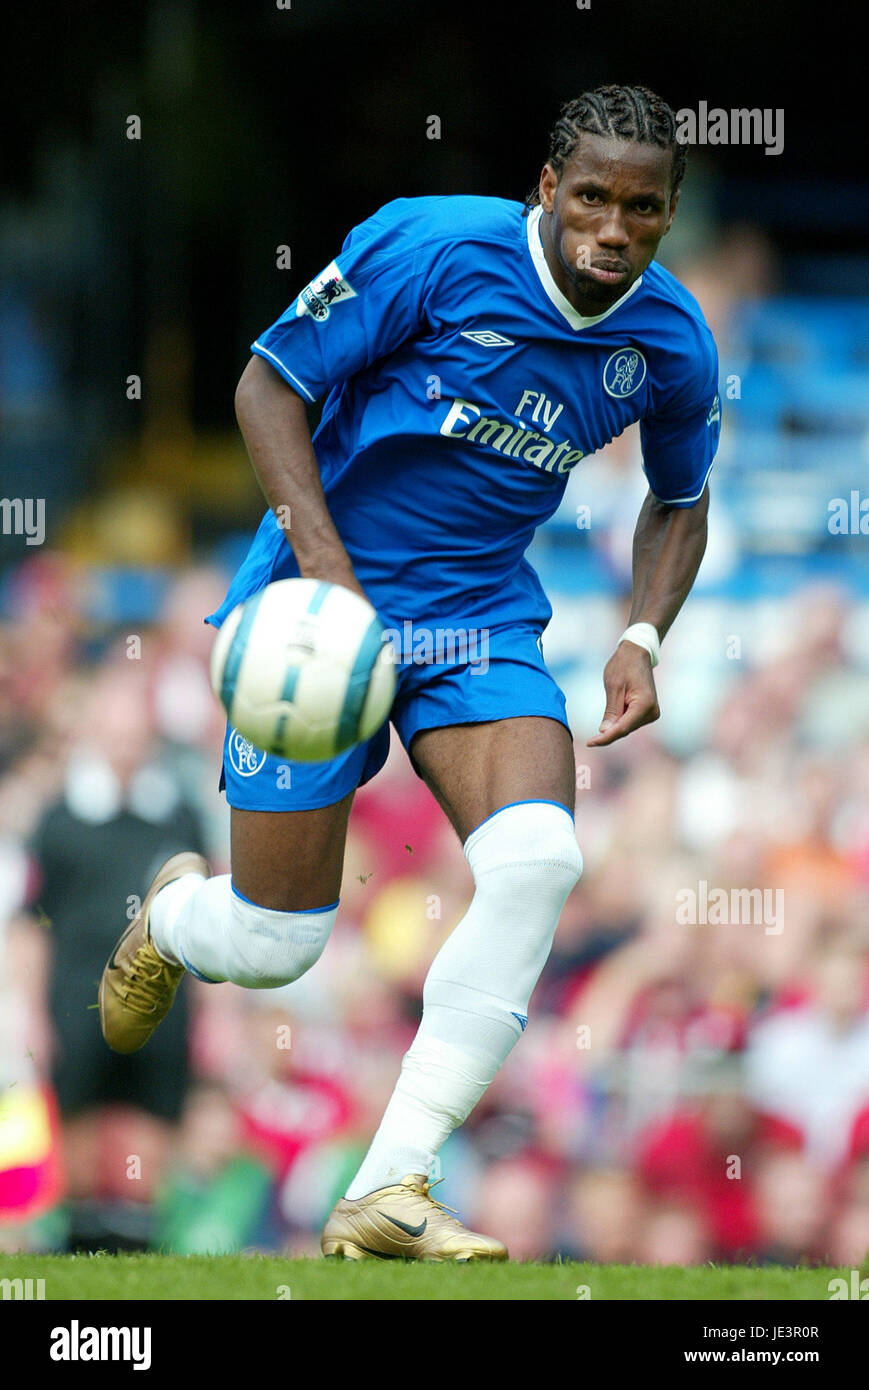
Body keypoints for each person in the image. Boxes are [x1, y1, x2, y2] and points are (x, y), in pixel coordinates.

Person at [100, 84, 719, 1261]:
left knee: (539, 860)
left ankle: (388, 1185)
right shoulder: (427, 247)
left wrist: (642, 634)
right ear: (546, 189)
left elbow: (679, 500)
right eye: (590, 195)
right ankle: (175, 916)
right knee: (277, 943)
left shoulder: (671, 343)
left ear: (666, 214)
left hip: (476, 622)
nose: (611, 228)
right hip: (315, 611)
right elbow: (265, 385)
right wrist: (326, 571)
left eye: (641, 209)